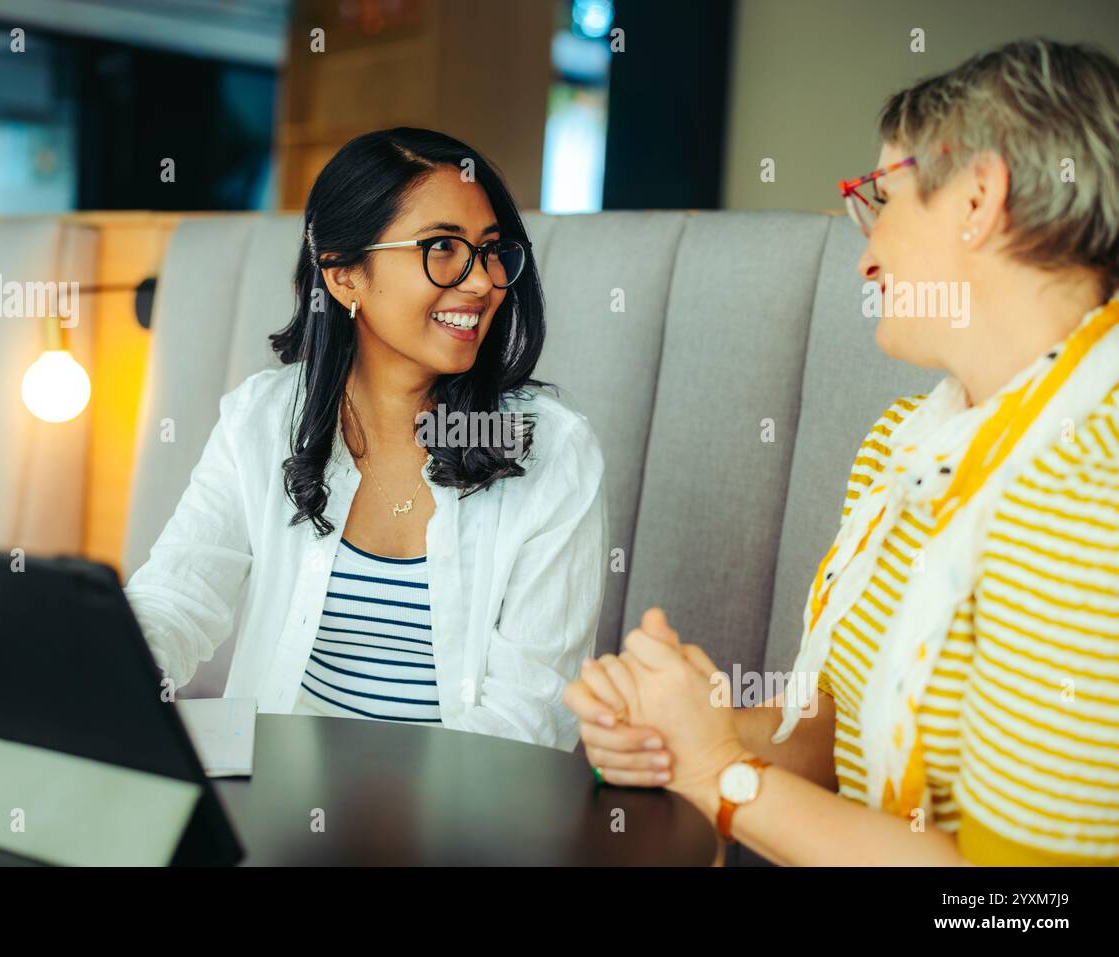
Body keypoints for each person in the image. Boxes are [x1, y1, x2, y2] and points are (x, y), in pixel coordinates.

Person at [567, 38, 1119, 864]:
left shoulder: (1087, 493)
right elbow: (846, 735)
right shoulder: (904, 446)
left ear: (977, 196)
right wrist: (684, 731)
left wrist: (719, 771)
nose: (864, 253)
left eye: (879, 200)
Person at [127, 127, 607, 750]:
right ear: (344, 275)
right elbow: (175, 599)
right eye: (441, 247)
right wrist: (111, 682)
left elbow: (528, 718)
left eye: (491, 250)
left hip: (457, 822)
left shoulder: (551, 451)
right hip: (278, 805)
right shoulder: (263, 418)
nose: (484, 281)